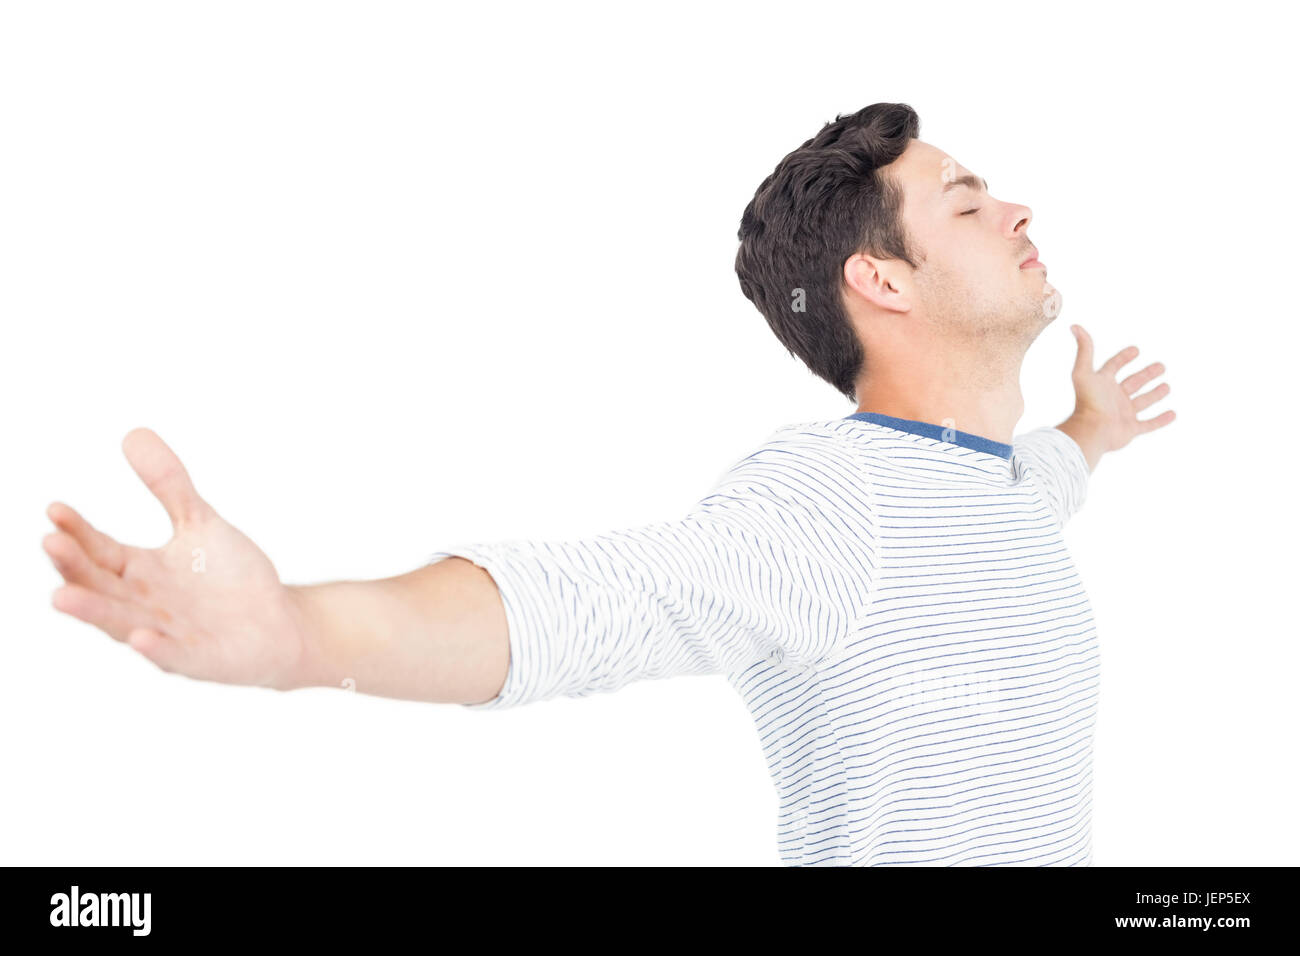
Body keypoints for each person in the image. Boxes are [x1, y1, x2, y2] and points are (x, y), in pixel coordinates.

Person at [42, 102, 1174, 866]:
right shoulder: (834, 507)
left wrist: (1093, 427)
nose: (1017, 208)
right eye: (968, 203)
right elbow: (599, 598)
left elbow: (1046, 476)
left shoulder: (1004, 485)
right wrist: (300, 631)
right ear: (878, 277)